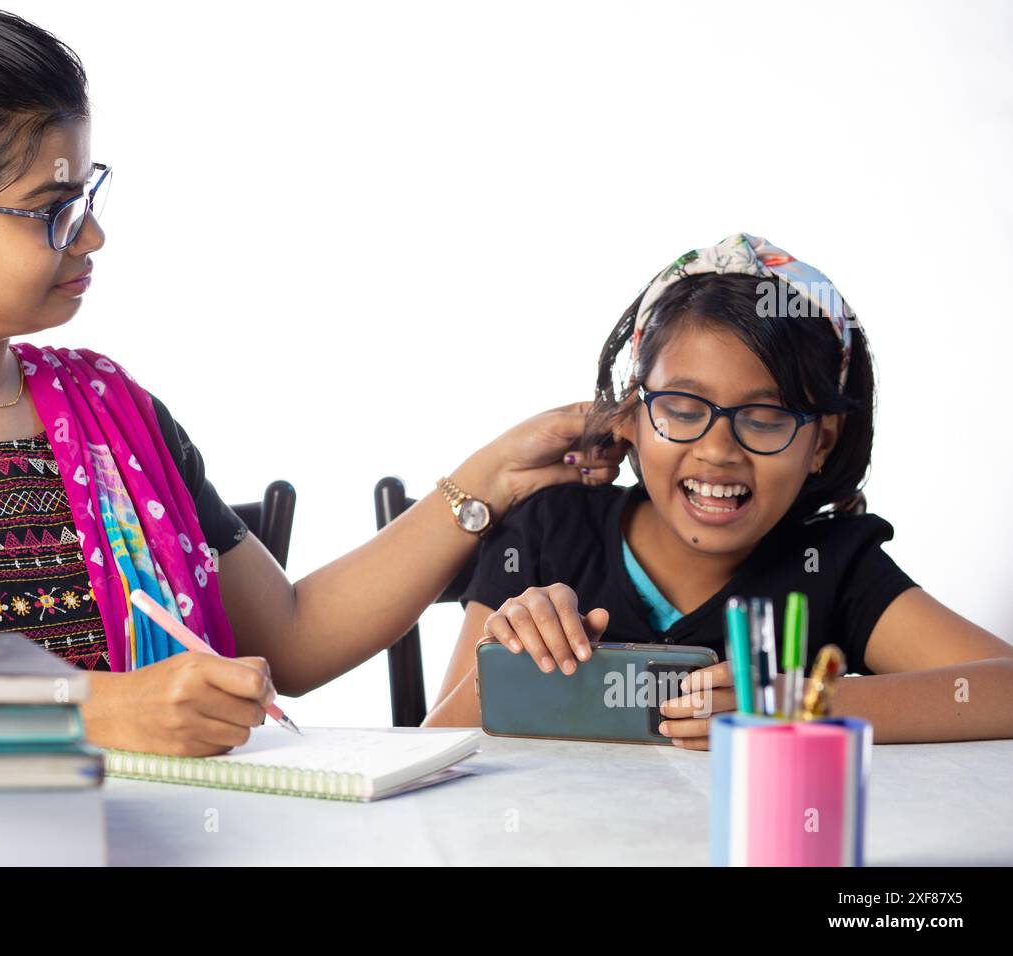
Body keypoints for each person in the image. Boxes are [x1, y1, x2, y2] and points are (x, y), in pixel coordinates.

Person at [0, 5, 605, 757]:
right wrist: (101, 712)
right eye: (52, 211)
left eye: (88, 196)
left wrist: (487, 480)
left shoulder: (109, 409)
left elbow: (287, 636)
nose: (91, 236)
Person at [424, 233, 1013, 747]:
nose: (719, 449)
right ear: (630, 415)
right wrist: (505, 667)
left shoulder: (834, 566)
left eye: (764, 418)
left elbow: (1001, 687)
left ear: (822, 445)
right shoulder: (548, 528)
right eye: (682, 408)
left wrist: (794, 709)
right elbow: (436, 749)